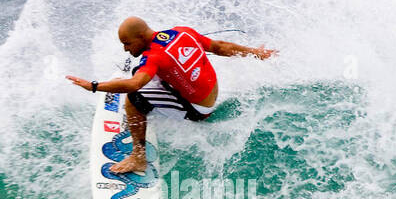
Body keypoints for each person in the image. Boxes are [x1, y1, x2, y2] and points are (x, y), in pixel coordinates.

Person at [67, 17, 277, 174]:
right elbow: (219, 47)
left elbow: (135, 84)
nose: (125, 48)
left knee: (133, 98)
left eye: (127, 43)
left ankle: (138, 157)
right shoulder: (182, 32)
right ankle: (153, 108)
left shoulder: (154, 56)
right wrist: (256, 53)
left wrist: (94, 86)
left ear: (141, 37)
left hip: (198, 109)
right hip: (209, 90)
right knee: (138, 70)